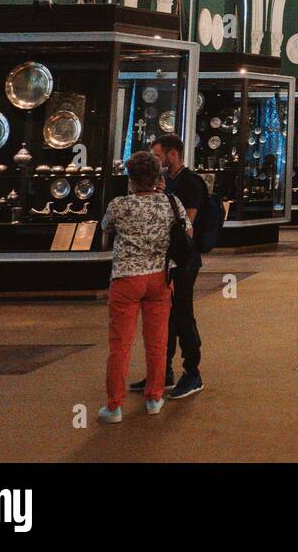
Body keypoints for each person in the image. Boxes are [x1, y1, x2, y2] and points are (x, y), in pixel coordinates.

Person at [98, 151, 182, 423]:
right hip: (159, 278)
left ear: (131, 178)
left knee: (120, 344)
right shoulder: (170, 203)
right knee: (157, 342)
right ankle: (154, 397)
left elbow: (105, 227)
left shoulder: (120, 205)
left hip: (126, 278)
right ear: (158, 177)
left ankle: (114, 406)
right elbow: (187, 231)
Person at [142, 133, 206, 401]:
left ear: (172, 154)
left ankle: (192, 373)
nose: (155, 162)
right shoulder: (163, 182)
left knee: (182, 314)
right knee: (164, 316)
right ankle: (163, 371)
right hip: (164, 260)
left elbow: (186, 227)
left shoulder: (191, 182)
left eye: (158, 156)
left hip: (184, 260)